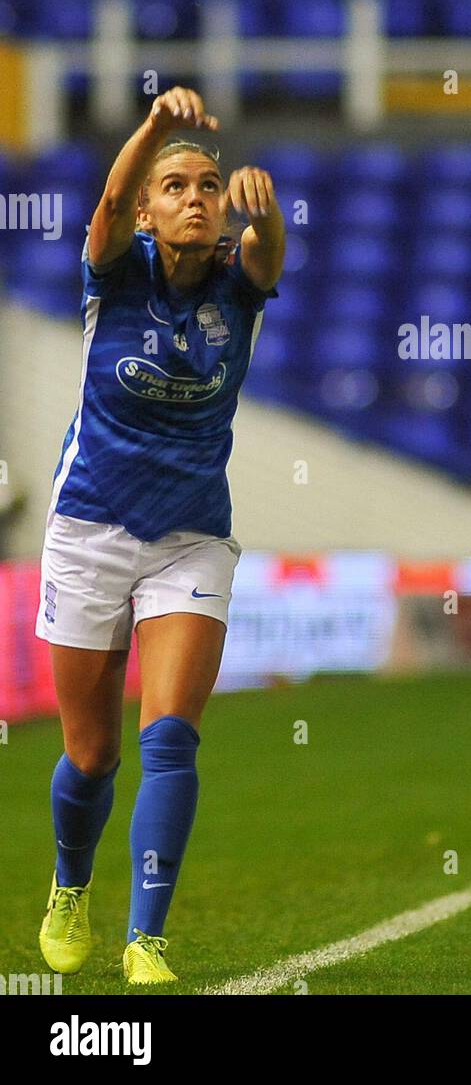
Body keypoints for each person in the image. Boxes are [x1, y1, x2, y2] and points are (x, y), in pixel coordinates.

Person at [35, 86, 285, 984]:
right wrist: (150, 128)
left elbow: (266, 253)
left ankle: (148, 939)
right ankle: (70, 886)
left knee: (169, 737)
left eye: (208, 186)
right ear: (146, 207)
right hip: (90, 526)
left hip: (190, 538)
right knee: (90, 755)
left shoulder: (236, 289)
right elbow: (103, 210)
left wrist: (266, 214)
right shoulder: (115, 269)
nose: (195, 197)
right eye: (175, 185)